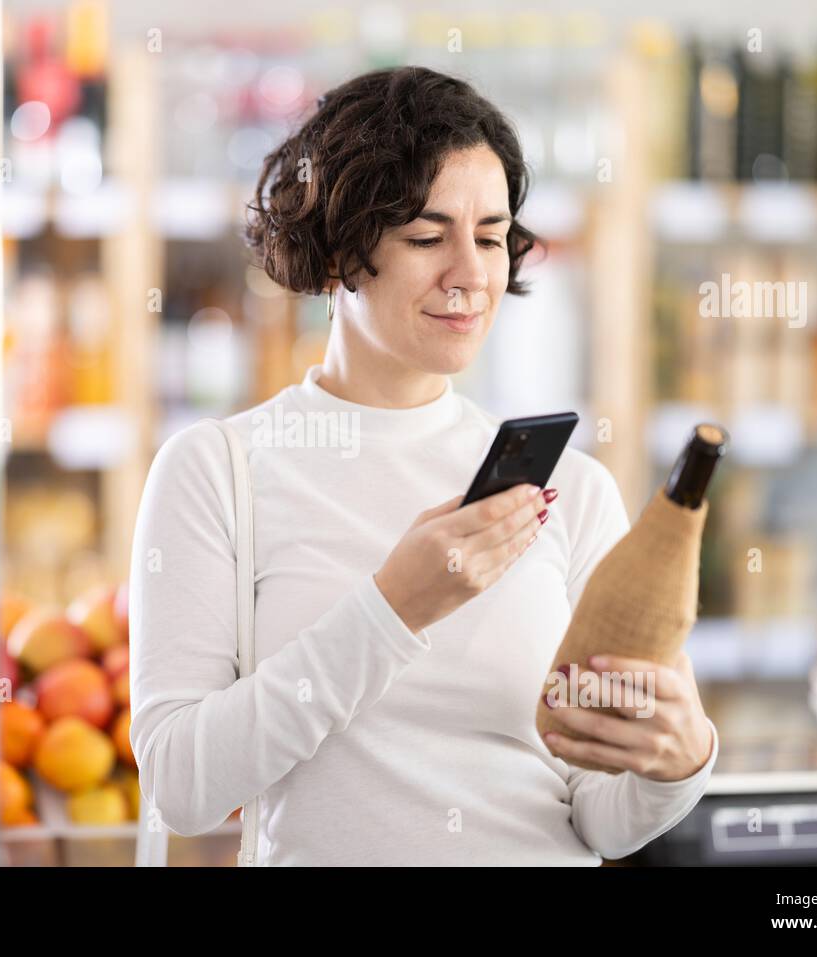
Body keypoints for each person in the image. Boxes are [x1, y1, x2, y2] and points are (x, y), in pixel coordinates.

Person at [128, 65, 718, 865]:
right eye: (427, 237)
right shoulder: (216, 471)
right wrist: (393, 608)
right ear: (337, 250)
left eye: (489, 236)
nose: (471, 274)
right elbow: (182, 787)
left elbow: (602, 817)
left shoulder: (570, 490)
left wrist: (677, 762)